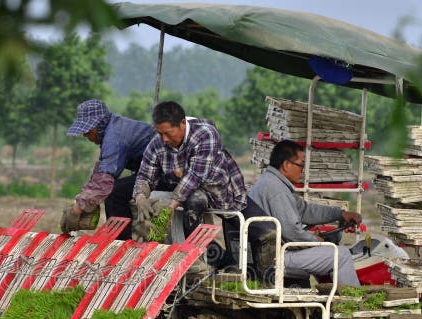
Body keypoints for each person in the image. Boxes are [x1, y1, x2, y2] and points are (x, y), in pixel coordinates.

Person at [133, 100, 269, 262]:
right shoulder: (157, 143)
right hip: (190, 196)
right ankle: (197, 260)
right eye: (160, 133)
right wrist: (140, 196)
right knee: (194, 201)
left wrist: (168, 210)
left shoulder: (205, 134)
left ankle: (251, 266)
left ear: (183, 123)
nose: (164, 139)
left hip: (223, 192)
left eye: (168, 133)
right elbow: (144, 175)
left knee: (267, 232)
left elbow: (195, 177)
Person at [249, 139, 362, 286]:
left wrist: (340, 214)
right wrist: (315, 241)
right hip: (274, 257)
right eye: (301, 165)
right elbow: (291, 231)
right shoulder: (276, 190)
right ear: (286, 165)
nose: (302, 170)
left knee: (331, 250)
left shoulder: (272, 183)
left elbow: (305, 210)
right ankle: (352, 304)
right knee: (341, 255)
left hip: (270, 251)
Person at [64, 99, 153, 240]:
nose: (85, 135)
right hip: (146, 172)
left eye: (88, 130)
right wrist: (84, 198)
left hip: (161, 173)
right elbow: (102, 170)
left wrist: (77, 210)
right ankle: (119, 238)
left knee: (114, 192)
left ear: (99, 125)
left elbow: (105, 181)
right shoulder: (112, 127)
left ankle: (121, 242)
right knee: (114, 189)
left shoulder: (113, 138)